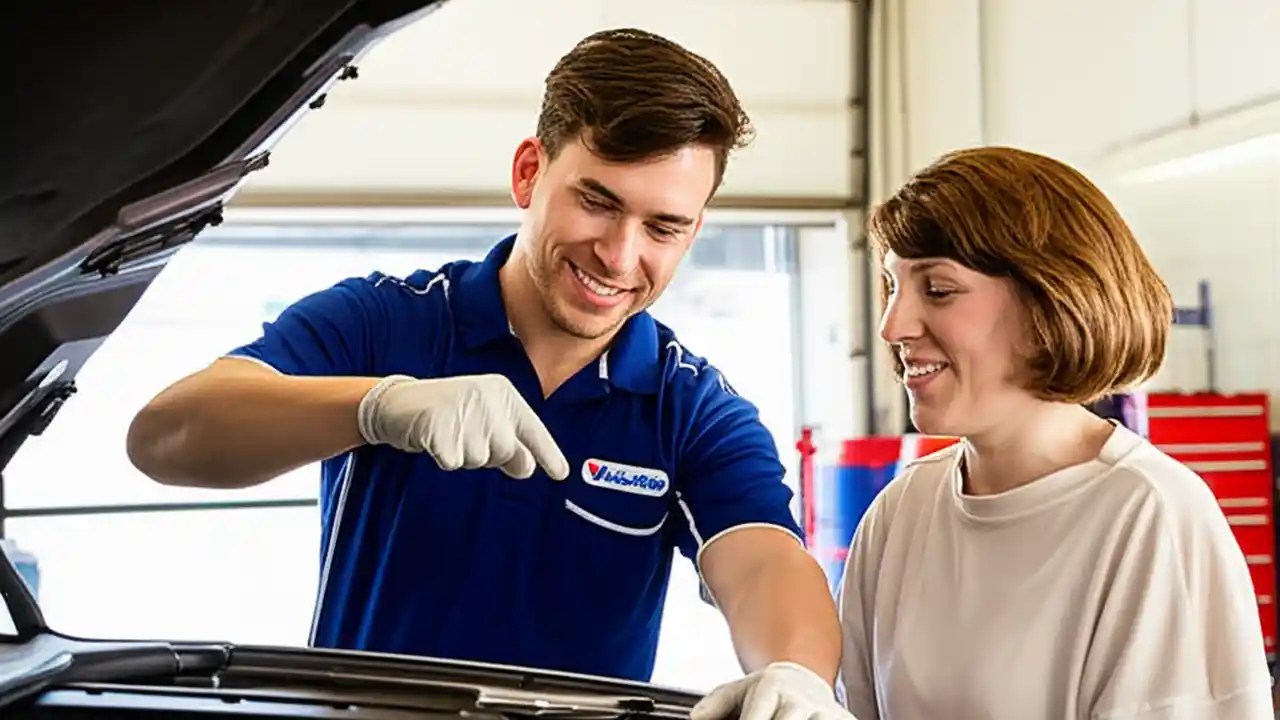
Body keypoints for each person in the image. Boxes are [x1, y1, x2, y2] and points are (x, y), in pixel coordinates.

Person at [126, 27, 853, 720]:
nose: (620, 255)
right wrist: (376, 407)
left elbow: (764, 562)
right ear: (530, 173)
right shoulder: (384, 322)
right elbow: (163, 438)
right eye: (598, 202)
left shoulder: (690, 408)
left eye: (663, 227)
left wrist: (796, 672)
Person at [837, 145, 1274, 718]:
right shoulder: (902, 512)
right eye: (892, 288)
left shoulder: (1150, 514)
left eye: (938, 290)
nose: (892, 325)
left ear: (1049, 304)